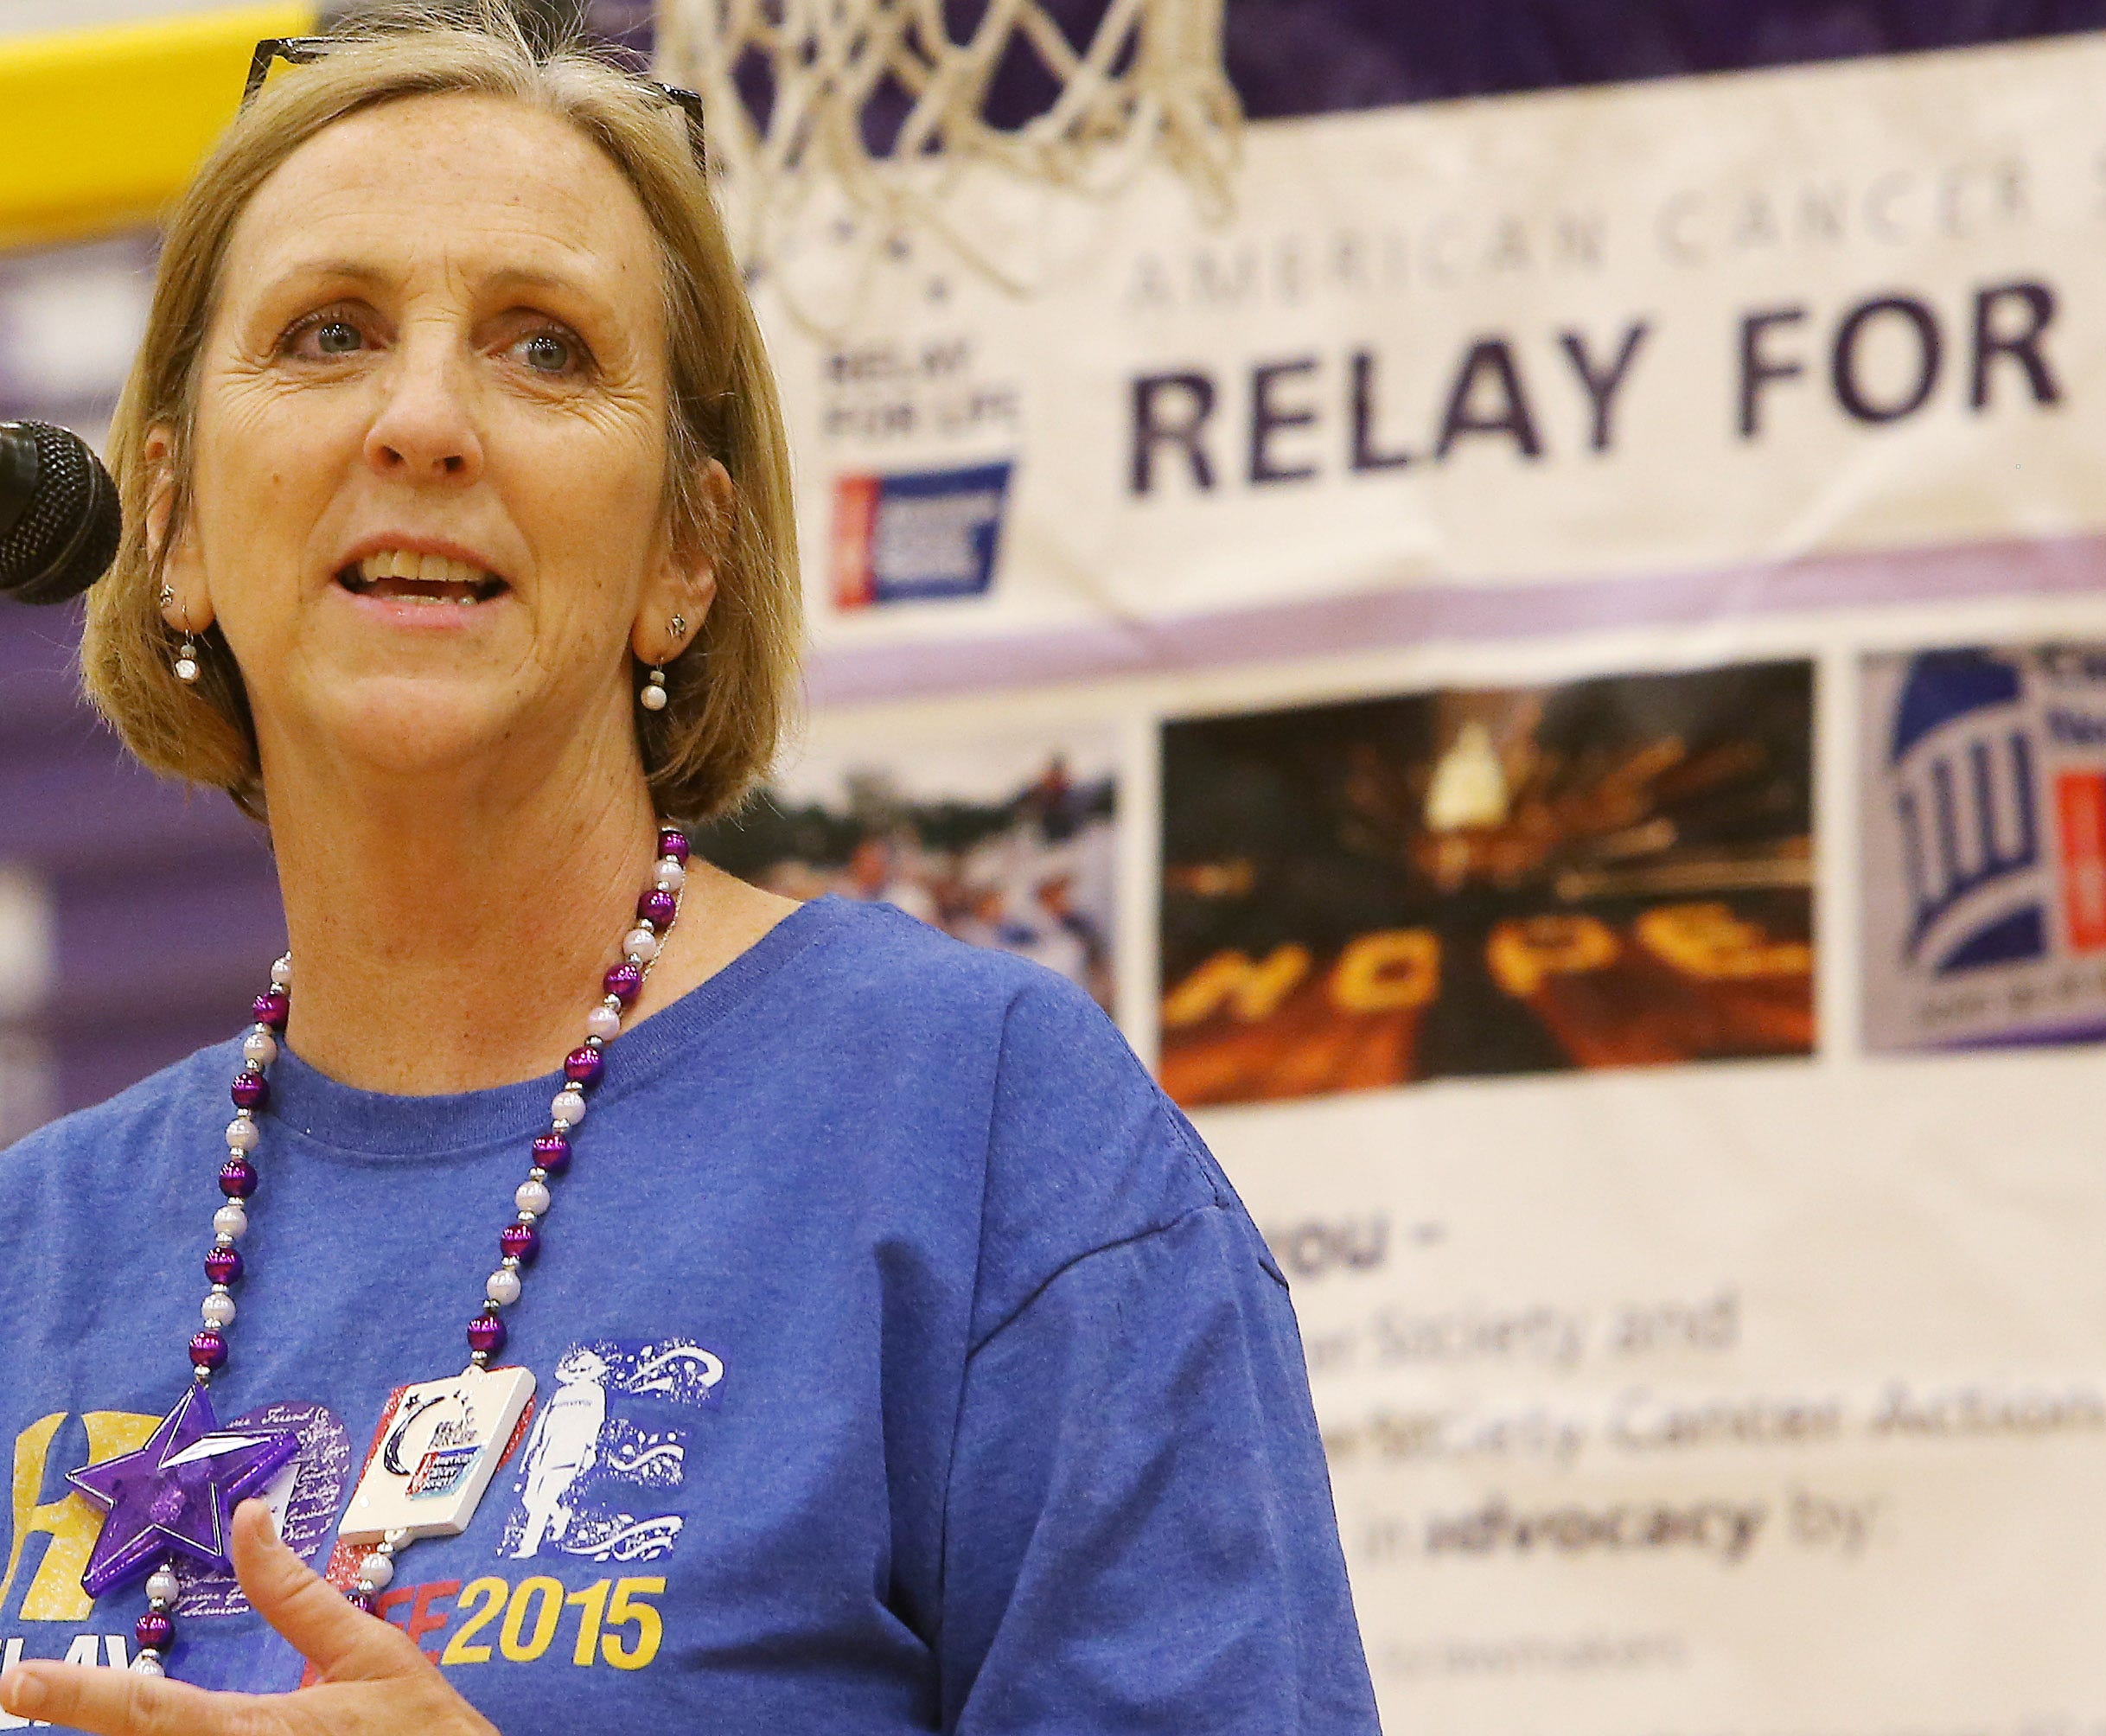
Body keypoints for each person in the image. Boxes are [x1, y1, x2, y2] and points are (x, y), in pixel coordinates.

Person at [0, 10, 1377, 1735]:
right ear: (177, 523)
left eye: (546, 350)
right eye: (329, 332)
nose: (422, 418)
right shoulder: (32, 1246)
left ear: (683, 556)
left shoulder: (989, 1133)